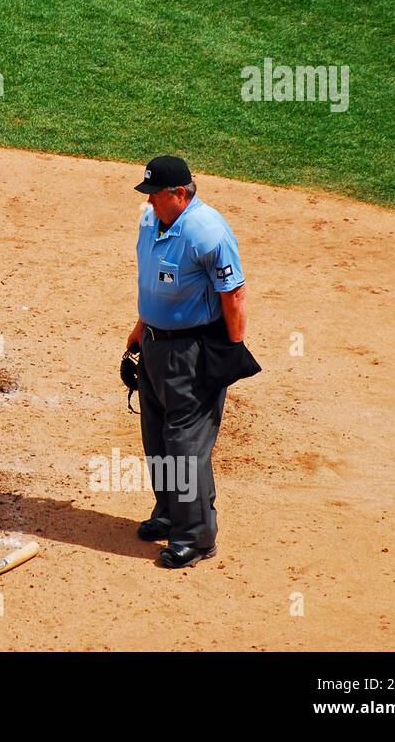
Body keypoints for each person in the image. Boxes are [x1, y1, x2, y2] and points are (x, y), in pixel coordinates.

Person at [126, 155, 248, 568]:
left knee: (184, 447)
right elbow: (153, 282)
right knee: (157, 435)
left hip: (193, 351)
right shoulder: (150, 223)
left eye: (155, 196)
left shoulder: (207, 230)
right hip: (157, 346)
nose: (149, 203)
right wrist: (140, 330)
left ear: (180, 194)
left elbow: (233, 294)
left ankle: (195, 537)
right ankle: (169, 512)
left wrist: (232, 349)